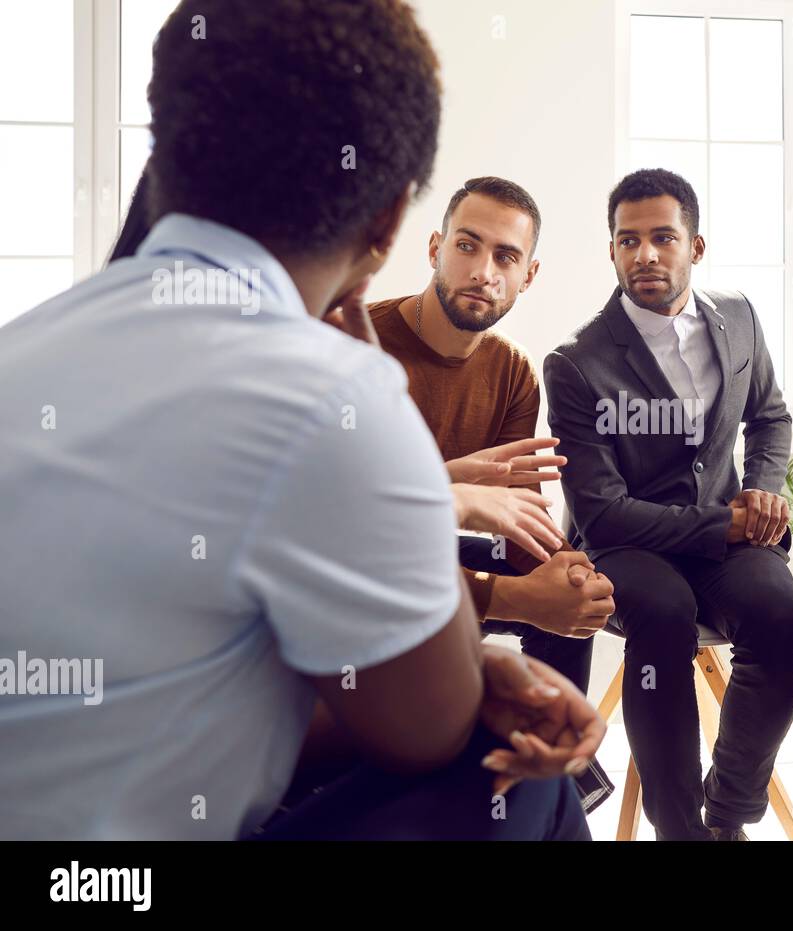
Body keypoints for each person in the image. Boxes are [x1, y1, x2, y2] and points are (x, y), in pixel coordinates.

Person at [0, 0, 598, 841]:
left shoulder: (22, 350)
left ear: (166, 151)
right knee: (515, 780)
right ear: (398, 226)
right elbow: (425, 728)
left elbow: (152, 703)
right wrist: (480, 659)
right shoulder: (336, 396)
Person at [545, 168, 793, 840]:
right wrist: (728, 522)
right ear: (611, 251)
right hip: (631, 545)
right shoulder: (575, 361)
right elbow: (601, 510)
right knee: (663, 615)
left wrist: (765, 492)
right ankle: (677, 827)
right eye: (628, 240)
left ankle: (728, 813)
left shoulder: (740, 316)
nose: (646, 254)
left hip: (727, 539)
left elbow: (770, 417)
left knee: (779, 616)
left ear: (697, 246)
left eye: (663, 237)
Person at [367, 175, 615, 810]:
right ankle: (541, 791)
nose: (483, 271)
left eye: (505, 257)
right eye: (467, 246)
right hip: (368, 559)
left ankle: (548, 769)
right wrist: (450, 477)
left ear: (528, 276)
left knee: (565, 591)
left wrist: (566, 574)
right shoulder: (359, 344)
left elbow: (517, 520)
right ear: (434, 247)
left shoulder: (511, 372)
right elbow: (345, 517)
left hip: (443, 548)